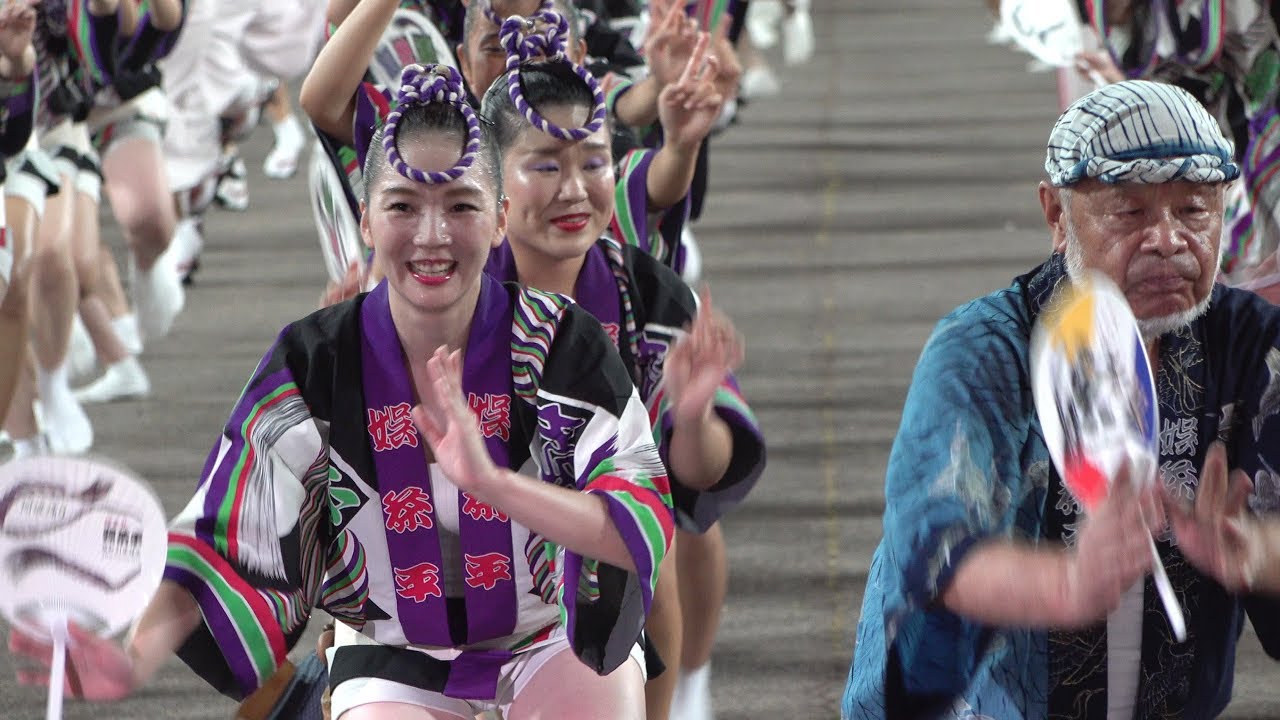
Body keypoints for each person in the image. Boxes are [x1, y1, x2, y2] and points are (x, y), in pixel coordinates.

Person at [10, 62, 673, 720]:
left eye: (461, 205)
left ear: (499, 219)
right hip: (391, 647)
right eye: (402, 206)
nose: (432, 235)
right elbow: (223, 536)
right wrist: (133, 659)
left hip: (552, 636)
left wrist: (494, 484)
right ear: (365, 220)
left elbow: (635, 520)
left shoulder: (558, 343)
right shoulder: (314, 360)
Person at [844, 79, 1280, 719]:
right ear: (1056, 214)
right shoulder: (983, 350)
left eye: (1194, 210)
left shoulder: (1253, 344)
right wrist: (1070, 584)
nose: (1167, 240)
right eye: (1130, 213)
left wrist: (1256, 551)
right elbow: (935, 553)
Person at [476, 14, 766, 720]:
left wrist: (691, 413)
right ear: (490, 186)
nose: (574, 189)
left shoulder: (647, 294)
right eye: (546, 165)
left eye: (593, 163)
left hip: (597, 567)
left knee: (643, 550)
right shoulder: (452, 290)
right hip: (463, 555)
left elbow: (695, 475)